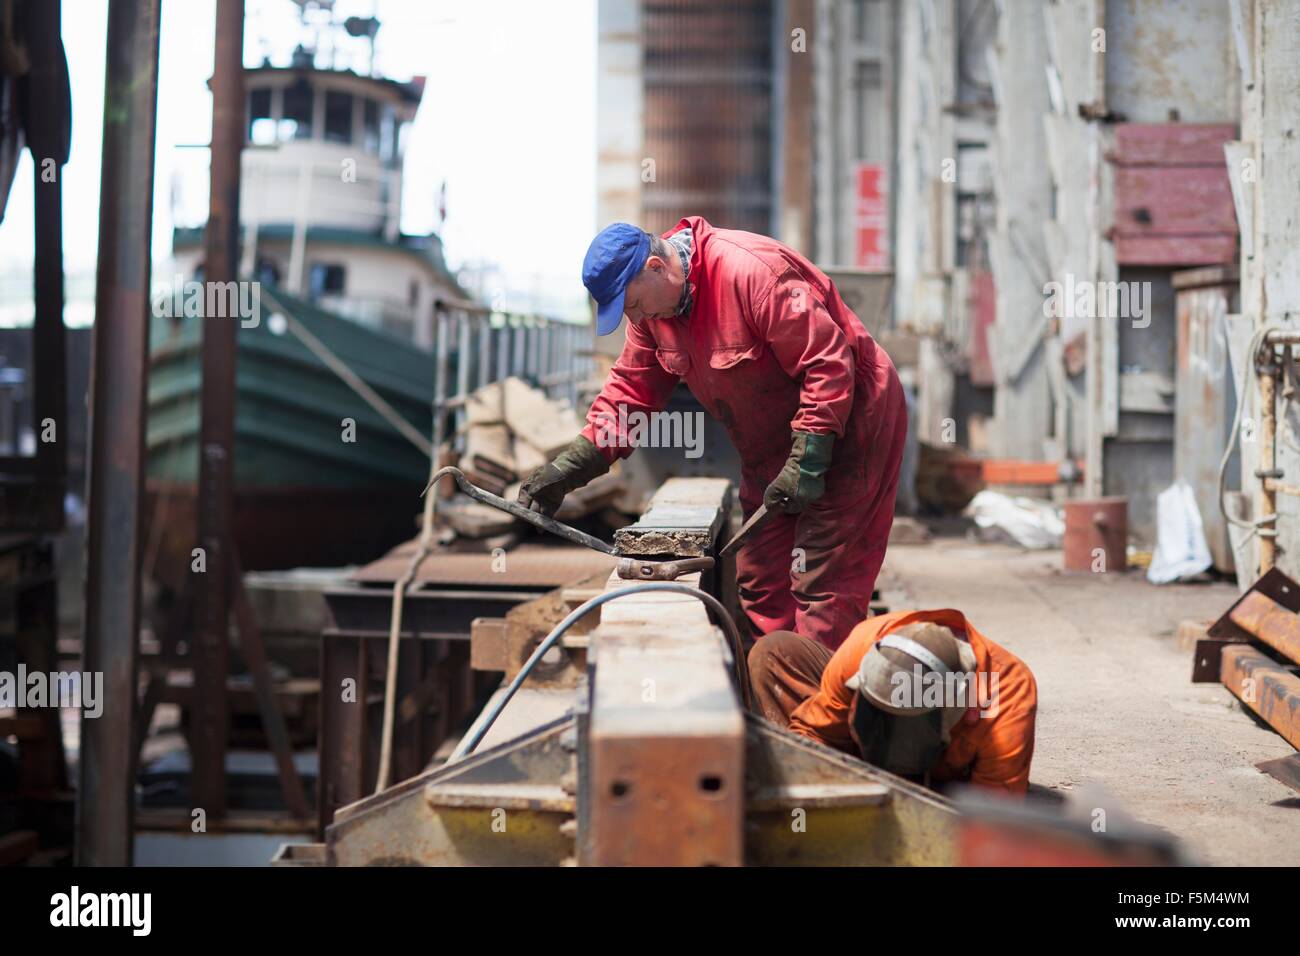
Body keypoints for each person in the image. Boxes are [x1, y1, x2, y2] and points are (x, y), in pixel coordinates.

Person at [518, 217, 907, 650]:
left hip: (853, 421)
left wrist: (810, 456)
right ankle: (775, 690)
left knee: (822, 579)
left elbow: (827, 364)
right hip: (773, 442)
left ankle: (817, 710)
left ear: (655, 267)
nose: (636, 317)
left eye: (633, 305)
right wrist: (572, 467)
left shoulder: (750, 273)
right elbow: (629, 393)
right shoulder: (654, 316)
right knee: (762, 577)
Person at [747, 608, 1037, 793]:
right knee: (775, 651)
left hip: (943, 791)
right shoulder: (863, 646)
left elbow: (992, 819)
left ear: (957, 705)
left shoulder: (1008, 695)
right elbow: (813, 732)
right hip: (857, 761)